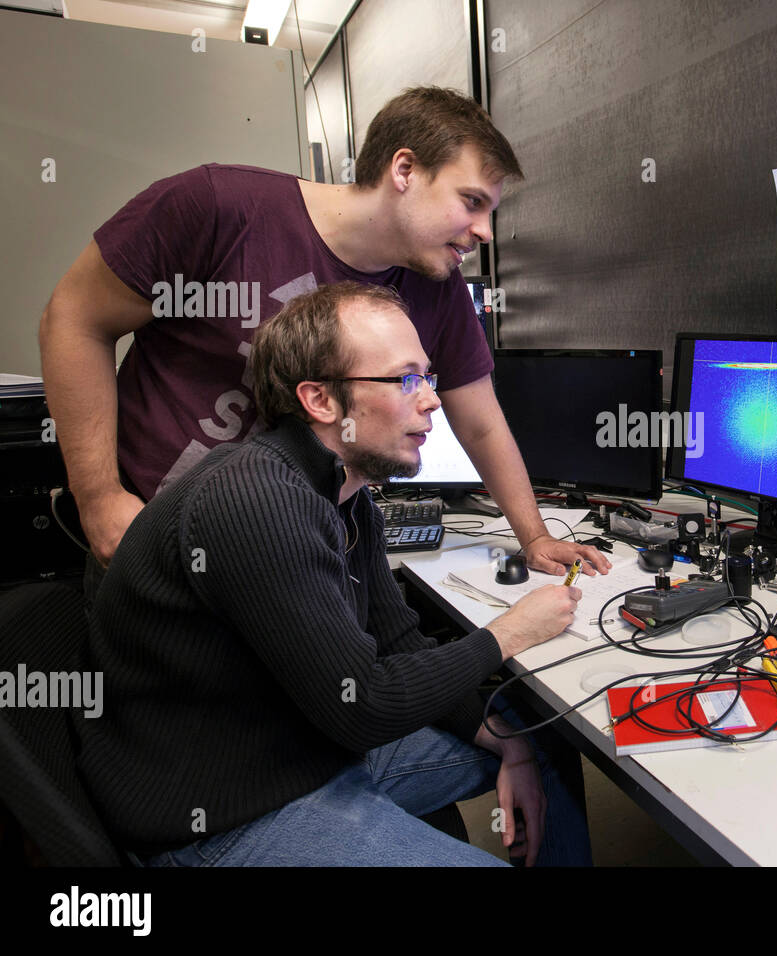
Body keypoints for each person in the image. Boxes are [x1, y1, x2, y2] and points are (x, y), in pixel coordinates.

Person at [75, 281, 592, 866]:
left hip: (308, 748)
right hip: (223, 815)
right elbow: (363, 704)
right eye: (404, 380)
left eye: (428, 376)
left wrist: (510, 745)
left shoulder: (343, 493)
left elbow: (396, 643)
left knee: (541, 735)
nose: (433, 400)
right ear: (321, 401)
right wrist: (511, 632)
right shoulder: (254, 500)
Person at [38, 85, 609, 580]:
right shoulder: (216, 206)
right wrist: (100, 500)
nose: (485, 232)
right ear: (404, 170)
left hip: (296, 553)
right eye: (472, 202)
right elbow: (74, 320)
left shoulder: (435, 282)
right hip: (155, 540)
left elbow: (479, 422)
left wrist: (533, 536)